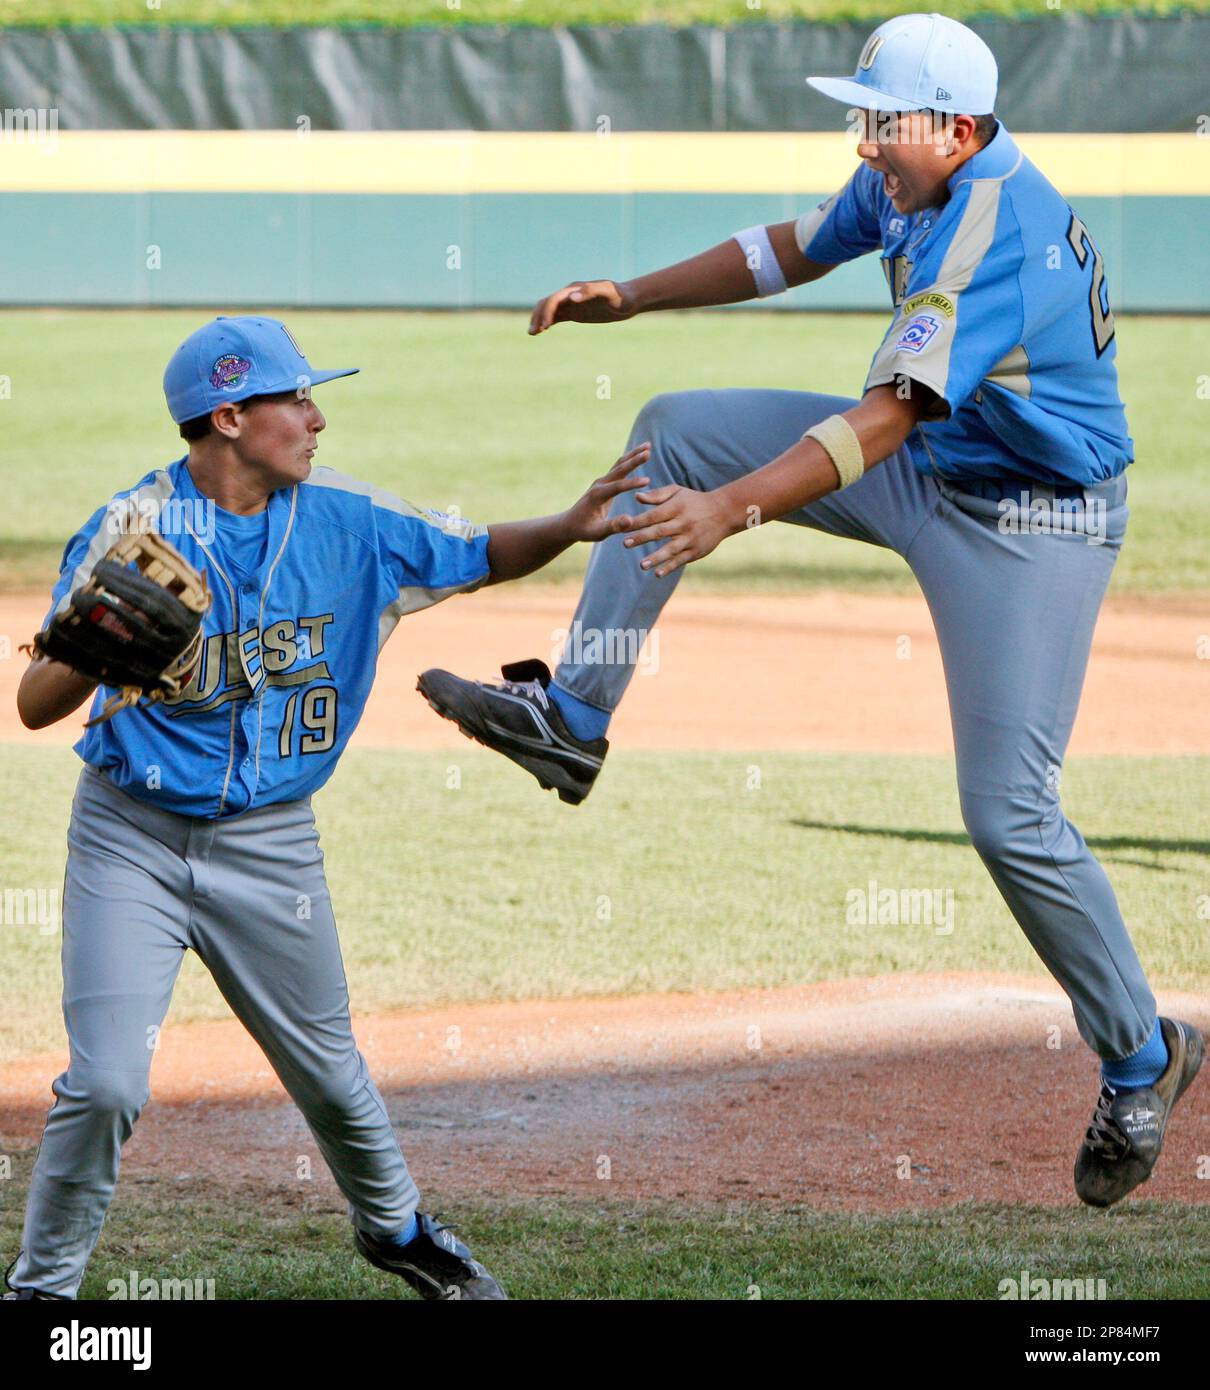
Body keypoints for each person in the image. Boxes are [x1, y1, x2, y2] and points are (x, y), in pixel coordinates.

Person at [415, 14, 1202, 1209]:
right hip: (937, 460)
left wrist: (730, 509)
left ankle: (1143, 1055)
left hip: (1033, 525)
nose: (867, 140)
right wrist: (630, 296)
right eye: (867, 118)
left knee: (1007, 814)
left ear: (954, 126)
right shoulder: (905, 180)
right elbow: (786, 248)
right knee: (673, 422)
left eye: (884, 120)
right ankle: (574, 714)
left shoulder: (995, 228)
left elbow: (884, 415)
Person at [3, 313, 649, 1301]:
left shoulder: (350, 521)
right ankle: (43, 1292)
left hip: (271, 848)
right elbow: (35, 705)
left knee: (330, 1074)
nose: (315, 418)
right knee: (105, 1084)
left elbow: (475, 551)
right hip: (127, 835)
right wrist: (99, 648)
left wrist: (568, 525)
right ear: (228, 416)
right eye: (294, 399)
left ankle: (396, 1230)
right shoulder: (131, 529)